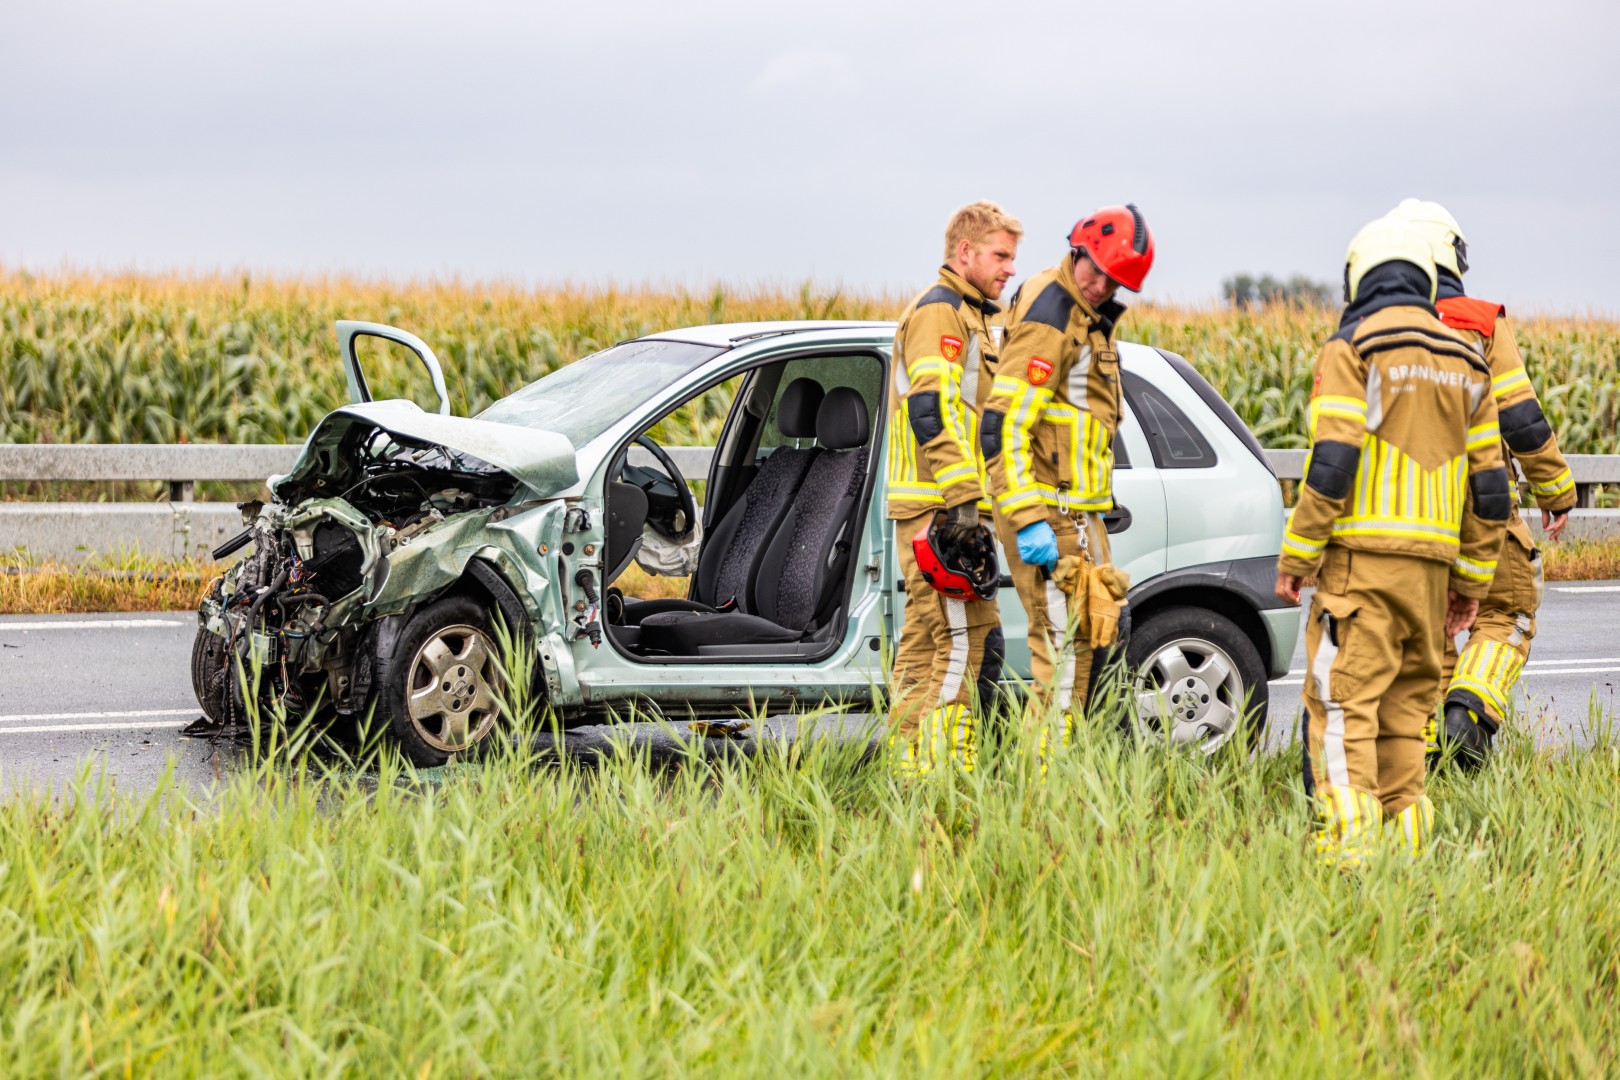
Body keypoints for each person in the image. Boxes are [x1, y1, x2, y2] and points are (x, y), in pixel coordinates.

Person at [1275, 217, 1511, 865]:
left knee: (1341, 715)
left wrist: (1297, 556)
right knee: (1406, 730)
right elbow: (1491, 493)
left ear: (1361, 273)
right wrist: (1468, 586)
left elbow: (1331, 464)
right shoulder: (1468, 359)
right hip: (1429, 587)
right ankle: (1404, 867)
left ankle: (1347, 872)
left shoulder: (1352, 347)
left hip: (1360, 574)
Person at [1384, 199, 1577, 769]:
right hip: (1483, 506)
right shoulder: (1479, 320)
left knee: (1427, 631)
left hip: (1402, 516)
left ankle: (1425, 757)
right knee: (1506, 610)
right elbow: (1521, 416)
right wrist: (1557, 491)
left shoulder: (1374, 327)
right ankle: (1468, 711)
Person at [979, 204, 1153, 761]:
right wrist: (1028, 519)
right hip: (1049, 512)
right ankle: (1041, 788)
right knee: (1059, 653)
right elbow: (1001, 425)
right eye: (1095, 270)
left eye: (1114, 280)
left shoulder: (1081, 313)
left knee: (1082, 643)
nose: (1100, 286)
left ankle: (1061, 772)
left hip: (1076, 511)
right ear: (1077, 249)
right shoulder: (1052, 314)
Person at [886, 200, 1022, 776]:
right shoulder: (943, 314)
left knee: (924, 643)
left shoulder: (969, 316)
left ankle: (911, 767)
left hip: (934, 504)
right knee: (965, 642)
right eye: (1000, 255)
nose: (1010, 268)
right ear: (964, 253)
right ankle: (947, 771)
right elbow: (931, 408)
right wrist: (965, 499)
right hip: (942, 509)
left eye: (1014, 258)